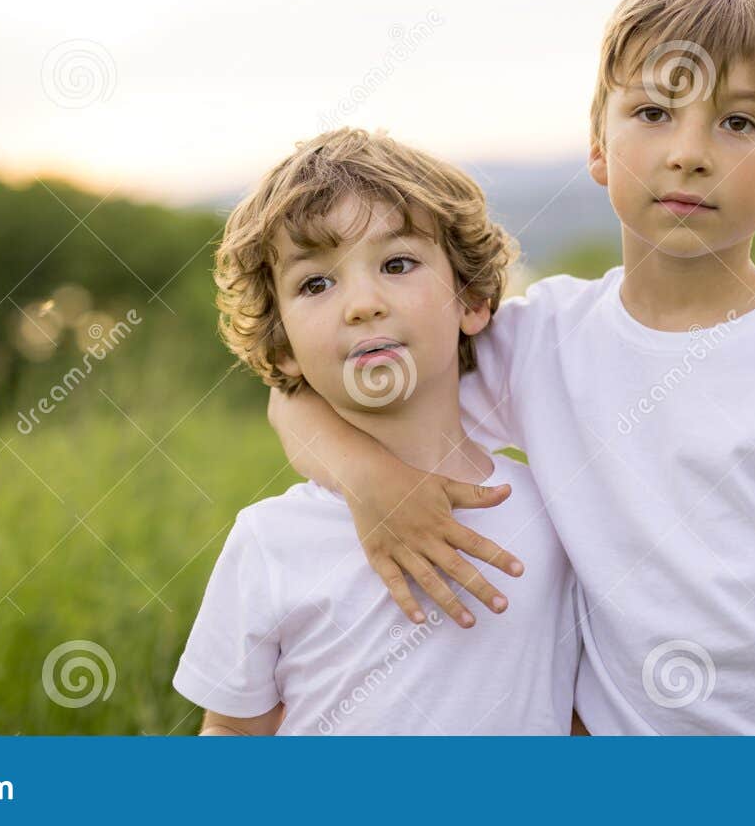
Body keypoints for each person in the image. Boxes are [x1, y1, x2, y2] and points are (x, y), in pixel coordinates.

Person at [268, 0, 755, 734]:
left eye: (739, 123)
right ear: (597, 146)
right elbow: (298, 394)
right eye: (652, 111)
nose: (688, 152)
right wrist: (370, 481)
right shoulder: (537, 340)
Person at [173, 128, 579, 734]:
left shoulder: (554, 513)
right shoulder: (270, 541)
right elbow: (231, 733)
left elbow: (574, 712)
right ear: (282, 344)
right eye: (316, 283)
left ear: (470, 300)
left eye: (397, 264)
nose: (362, 303)